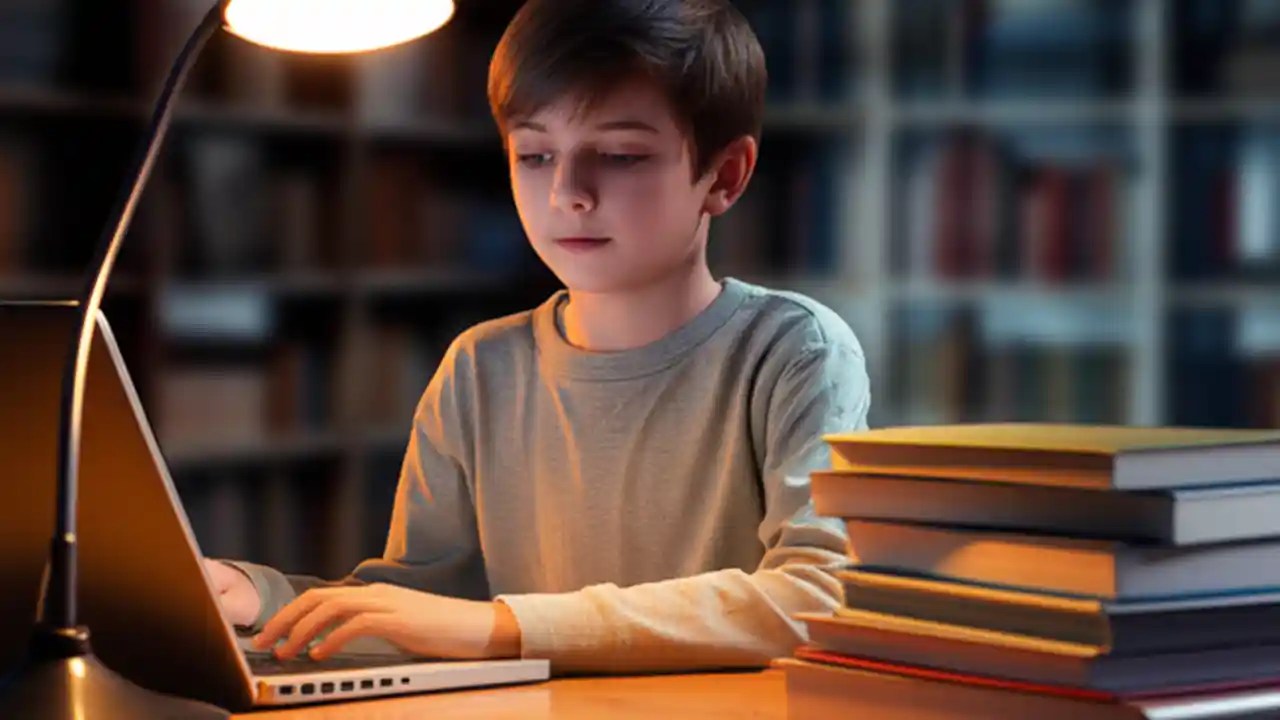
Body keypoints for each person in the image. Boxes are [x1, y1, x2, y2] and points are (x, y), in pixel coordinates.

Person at [206, 0, 870, 674]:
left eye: (618, 155)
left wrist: (506, 625)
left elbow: (813, 593)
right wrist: (260, 599)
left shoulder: (794, 351)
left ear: (725, 176)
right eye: (535, 153)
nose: (567, 193)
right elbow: (426, 610)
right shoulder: (479, 367)